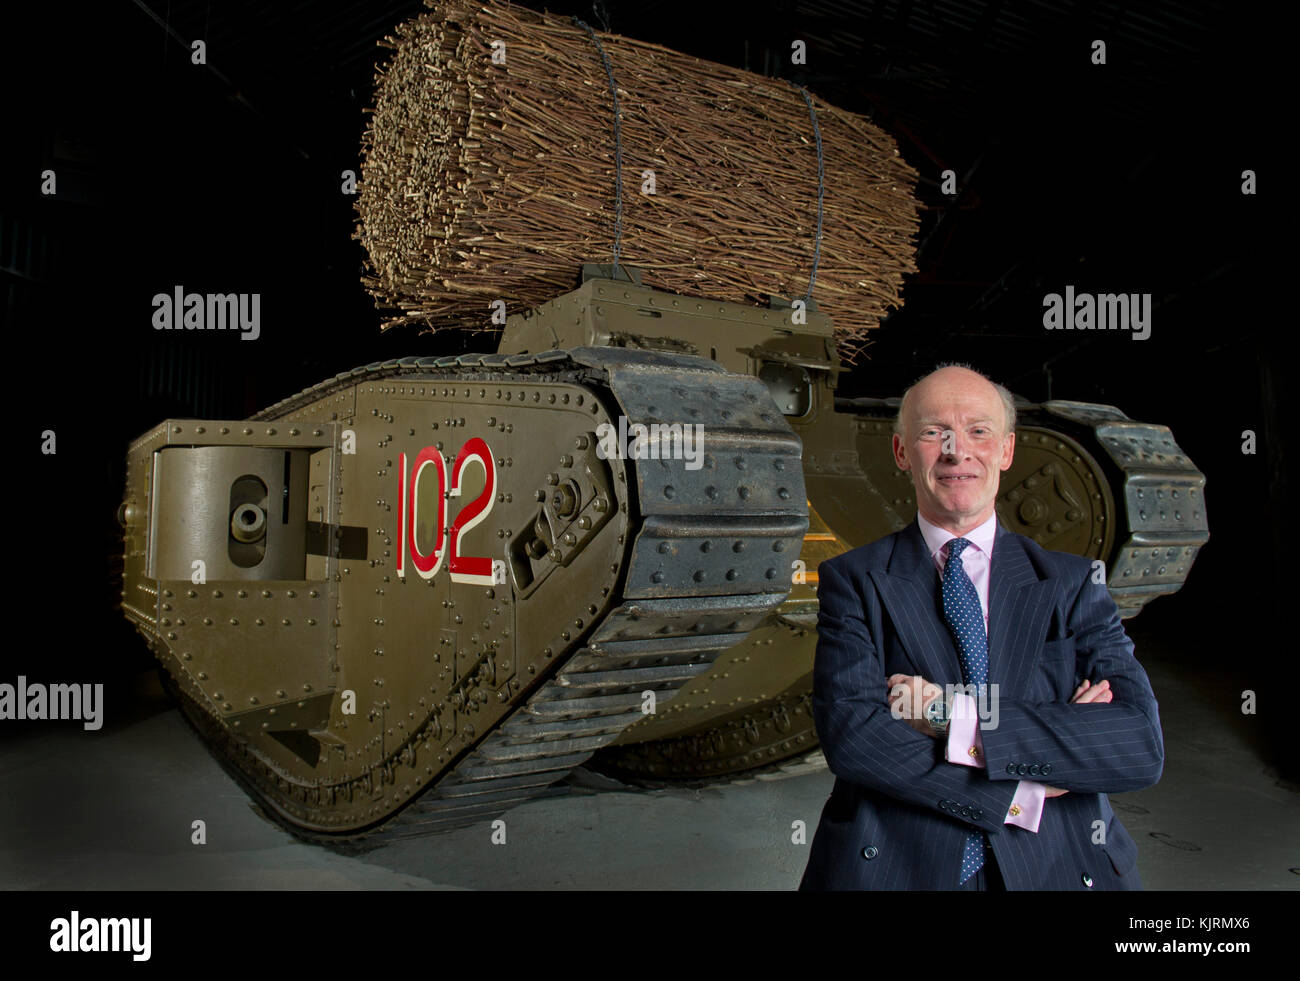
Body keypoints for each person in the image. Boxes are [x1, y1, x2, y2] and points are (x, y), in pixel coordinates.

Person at [798, 364, 1163, 890]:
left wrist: (951, 717)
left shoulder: (1074, 583)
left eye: (978, 430)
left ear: (1007, 451)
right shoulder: (854, 581)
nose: (955, 450)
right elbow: (856, 740)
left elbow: (1136, 745)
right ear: (902, 452)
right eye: (932, 432)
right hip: (900, 864)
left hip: (1058, 863)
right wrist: (1024, 791)